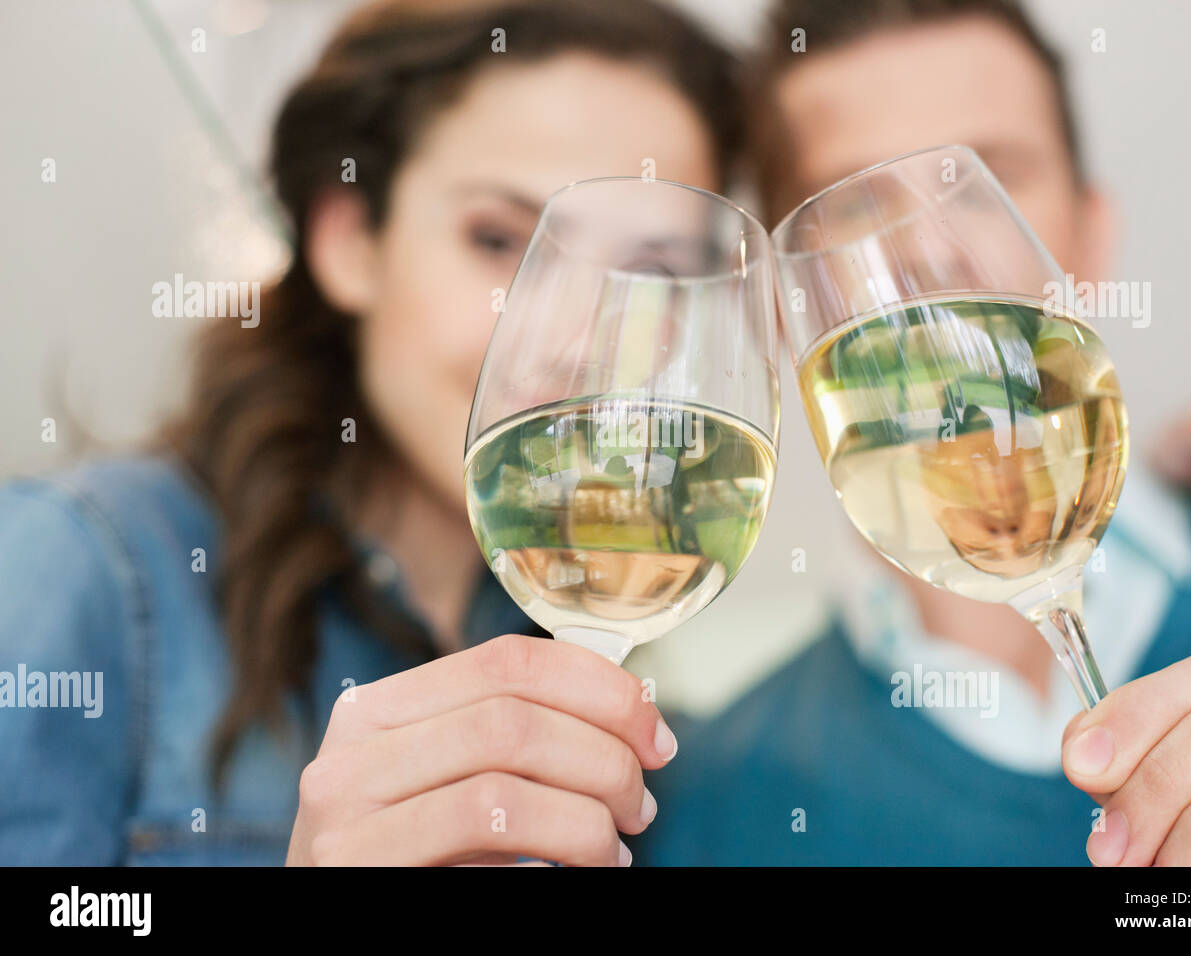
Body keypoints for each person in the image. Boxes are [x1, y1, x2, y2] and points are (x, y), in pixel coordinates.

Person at [0, 0, 745, 866]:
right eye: (501, 239)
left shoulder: (627, 713)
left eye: (651, 275)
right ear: (350, 239)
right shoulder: (86, 570)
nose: (579, 341)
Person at [631, 0, 1191, 866]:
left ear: (1089, 242)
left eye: (984, 181)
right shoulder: (700, 816)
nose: (930, 254)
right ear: (783, 317)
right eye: (859, 205)